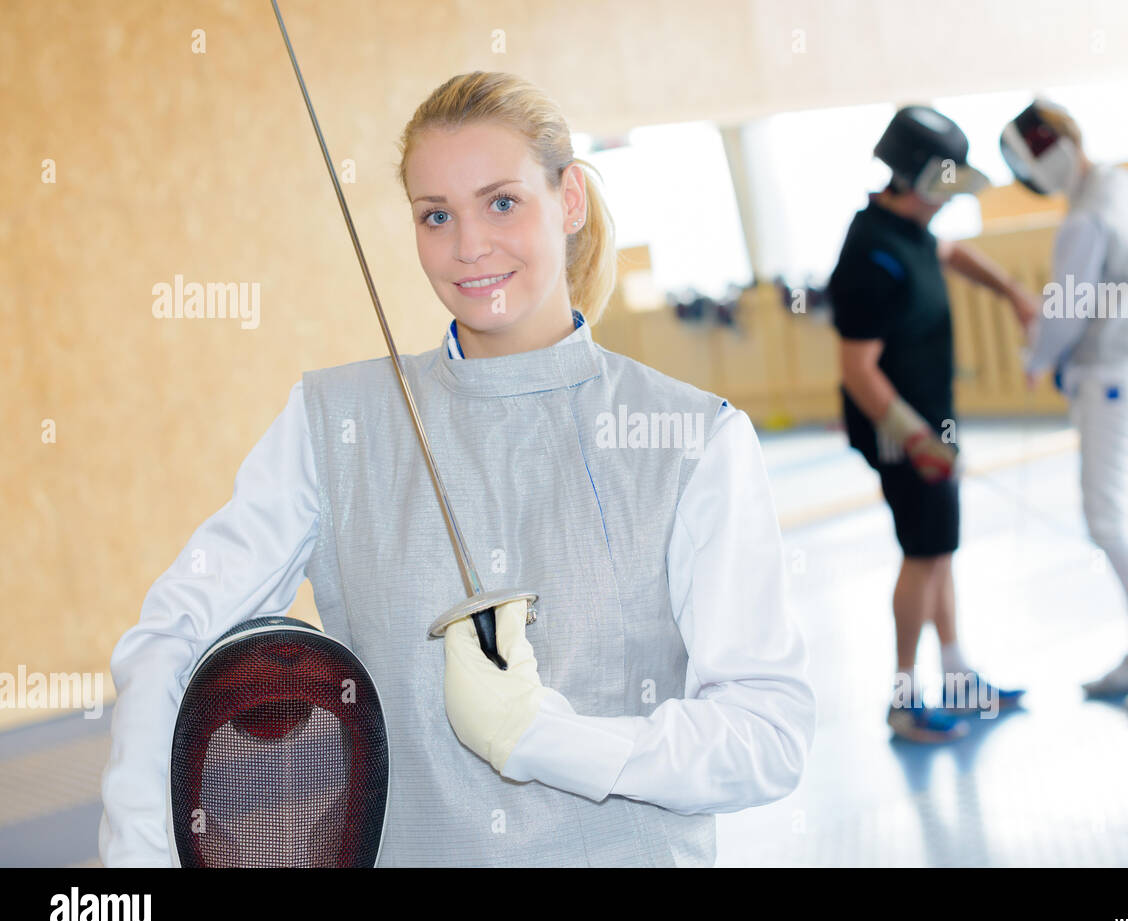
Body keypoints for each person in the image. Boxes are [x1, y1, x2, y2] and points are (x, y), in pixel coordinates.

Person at [99, 70, 816, 866]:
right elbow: (170, 632)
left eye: (501, 202)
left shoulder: (694, 438)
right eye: (436, 215)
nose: (469, 245)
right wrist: (139, 856)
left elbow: (767, 732)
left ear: (569, 199)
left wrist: (544, 739)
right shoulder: (334, 422)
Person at [828, 106, 1036, 744]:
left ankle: (957, 676)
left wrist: (1012, 292)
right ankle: (902, 699)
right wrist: (917, 441)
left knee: (938, 548)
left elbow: (953, 254)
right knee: (922, 555)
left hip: (931, 424)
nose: (948, 200)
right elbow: (858, 371)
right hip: (899, 431)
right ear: (913, 180)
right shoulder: (868, 252)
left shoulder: (914, 229)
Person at [1001, 98, 1128, 717]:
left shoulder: (1085, 219)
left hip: (1111, 378)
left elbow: (1067, 312)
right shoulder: (1119, 184)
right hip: (1127, 370)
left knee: (1109, 523)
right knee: (1119, 517)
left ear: (1047, 150)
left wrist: (1035, 358)